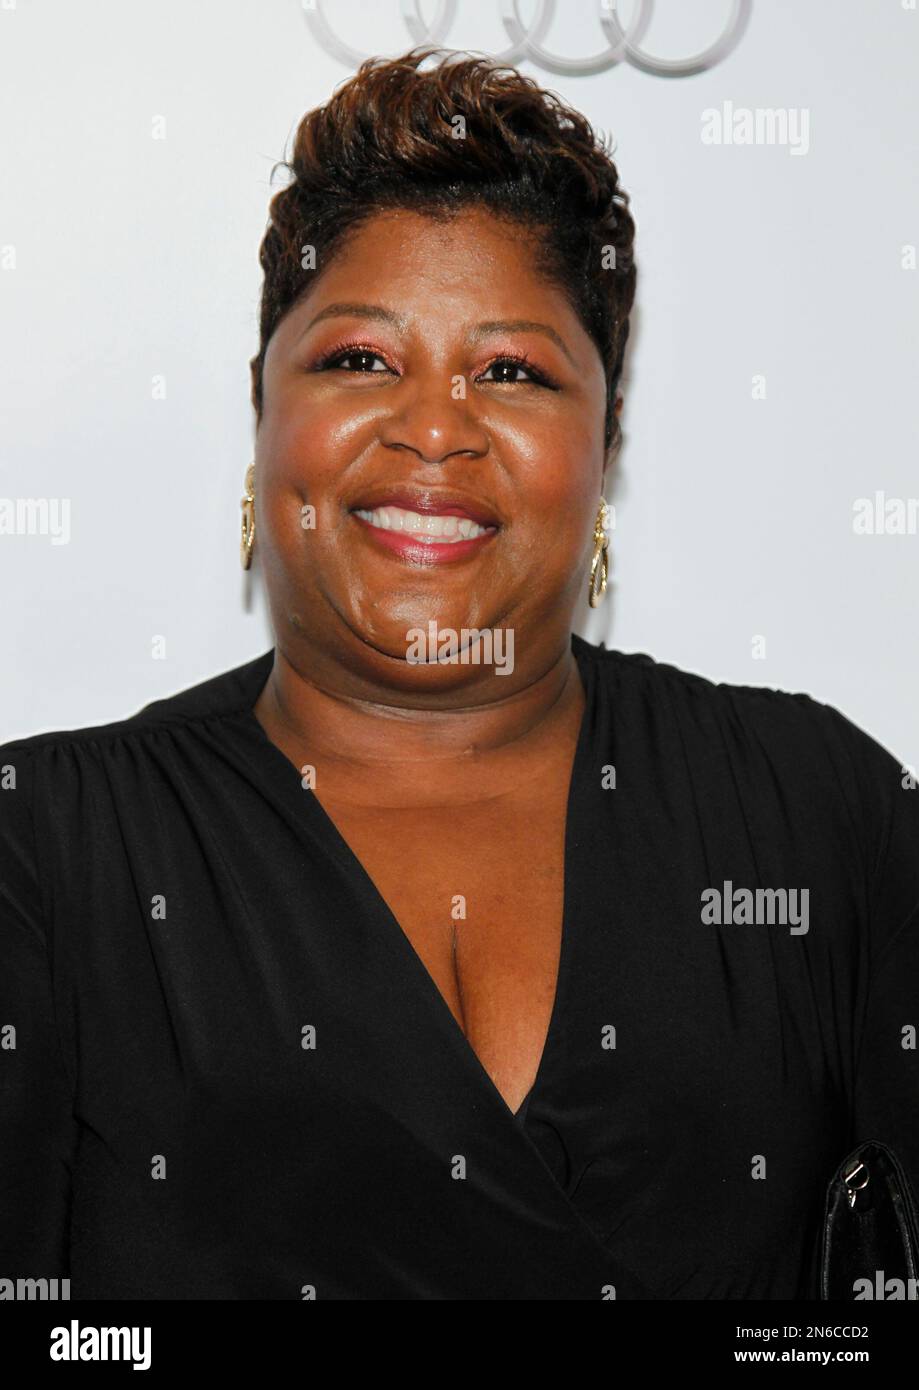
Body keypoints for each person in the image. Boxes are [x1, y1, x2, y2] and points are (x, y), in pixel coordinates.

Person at [1, 48, 917, 1301]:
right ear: (260, 416)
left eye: (513, 372)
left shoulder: (817, 816)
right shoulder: (48, 852)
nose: (434, 425)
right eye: (361, 360)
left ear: (605, 449)